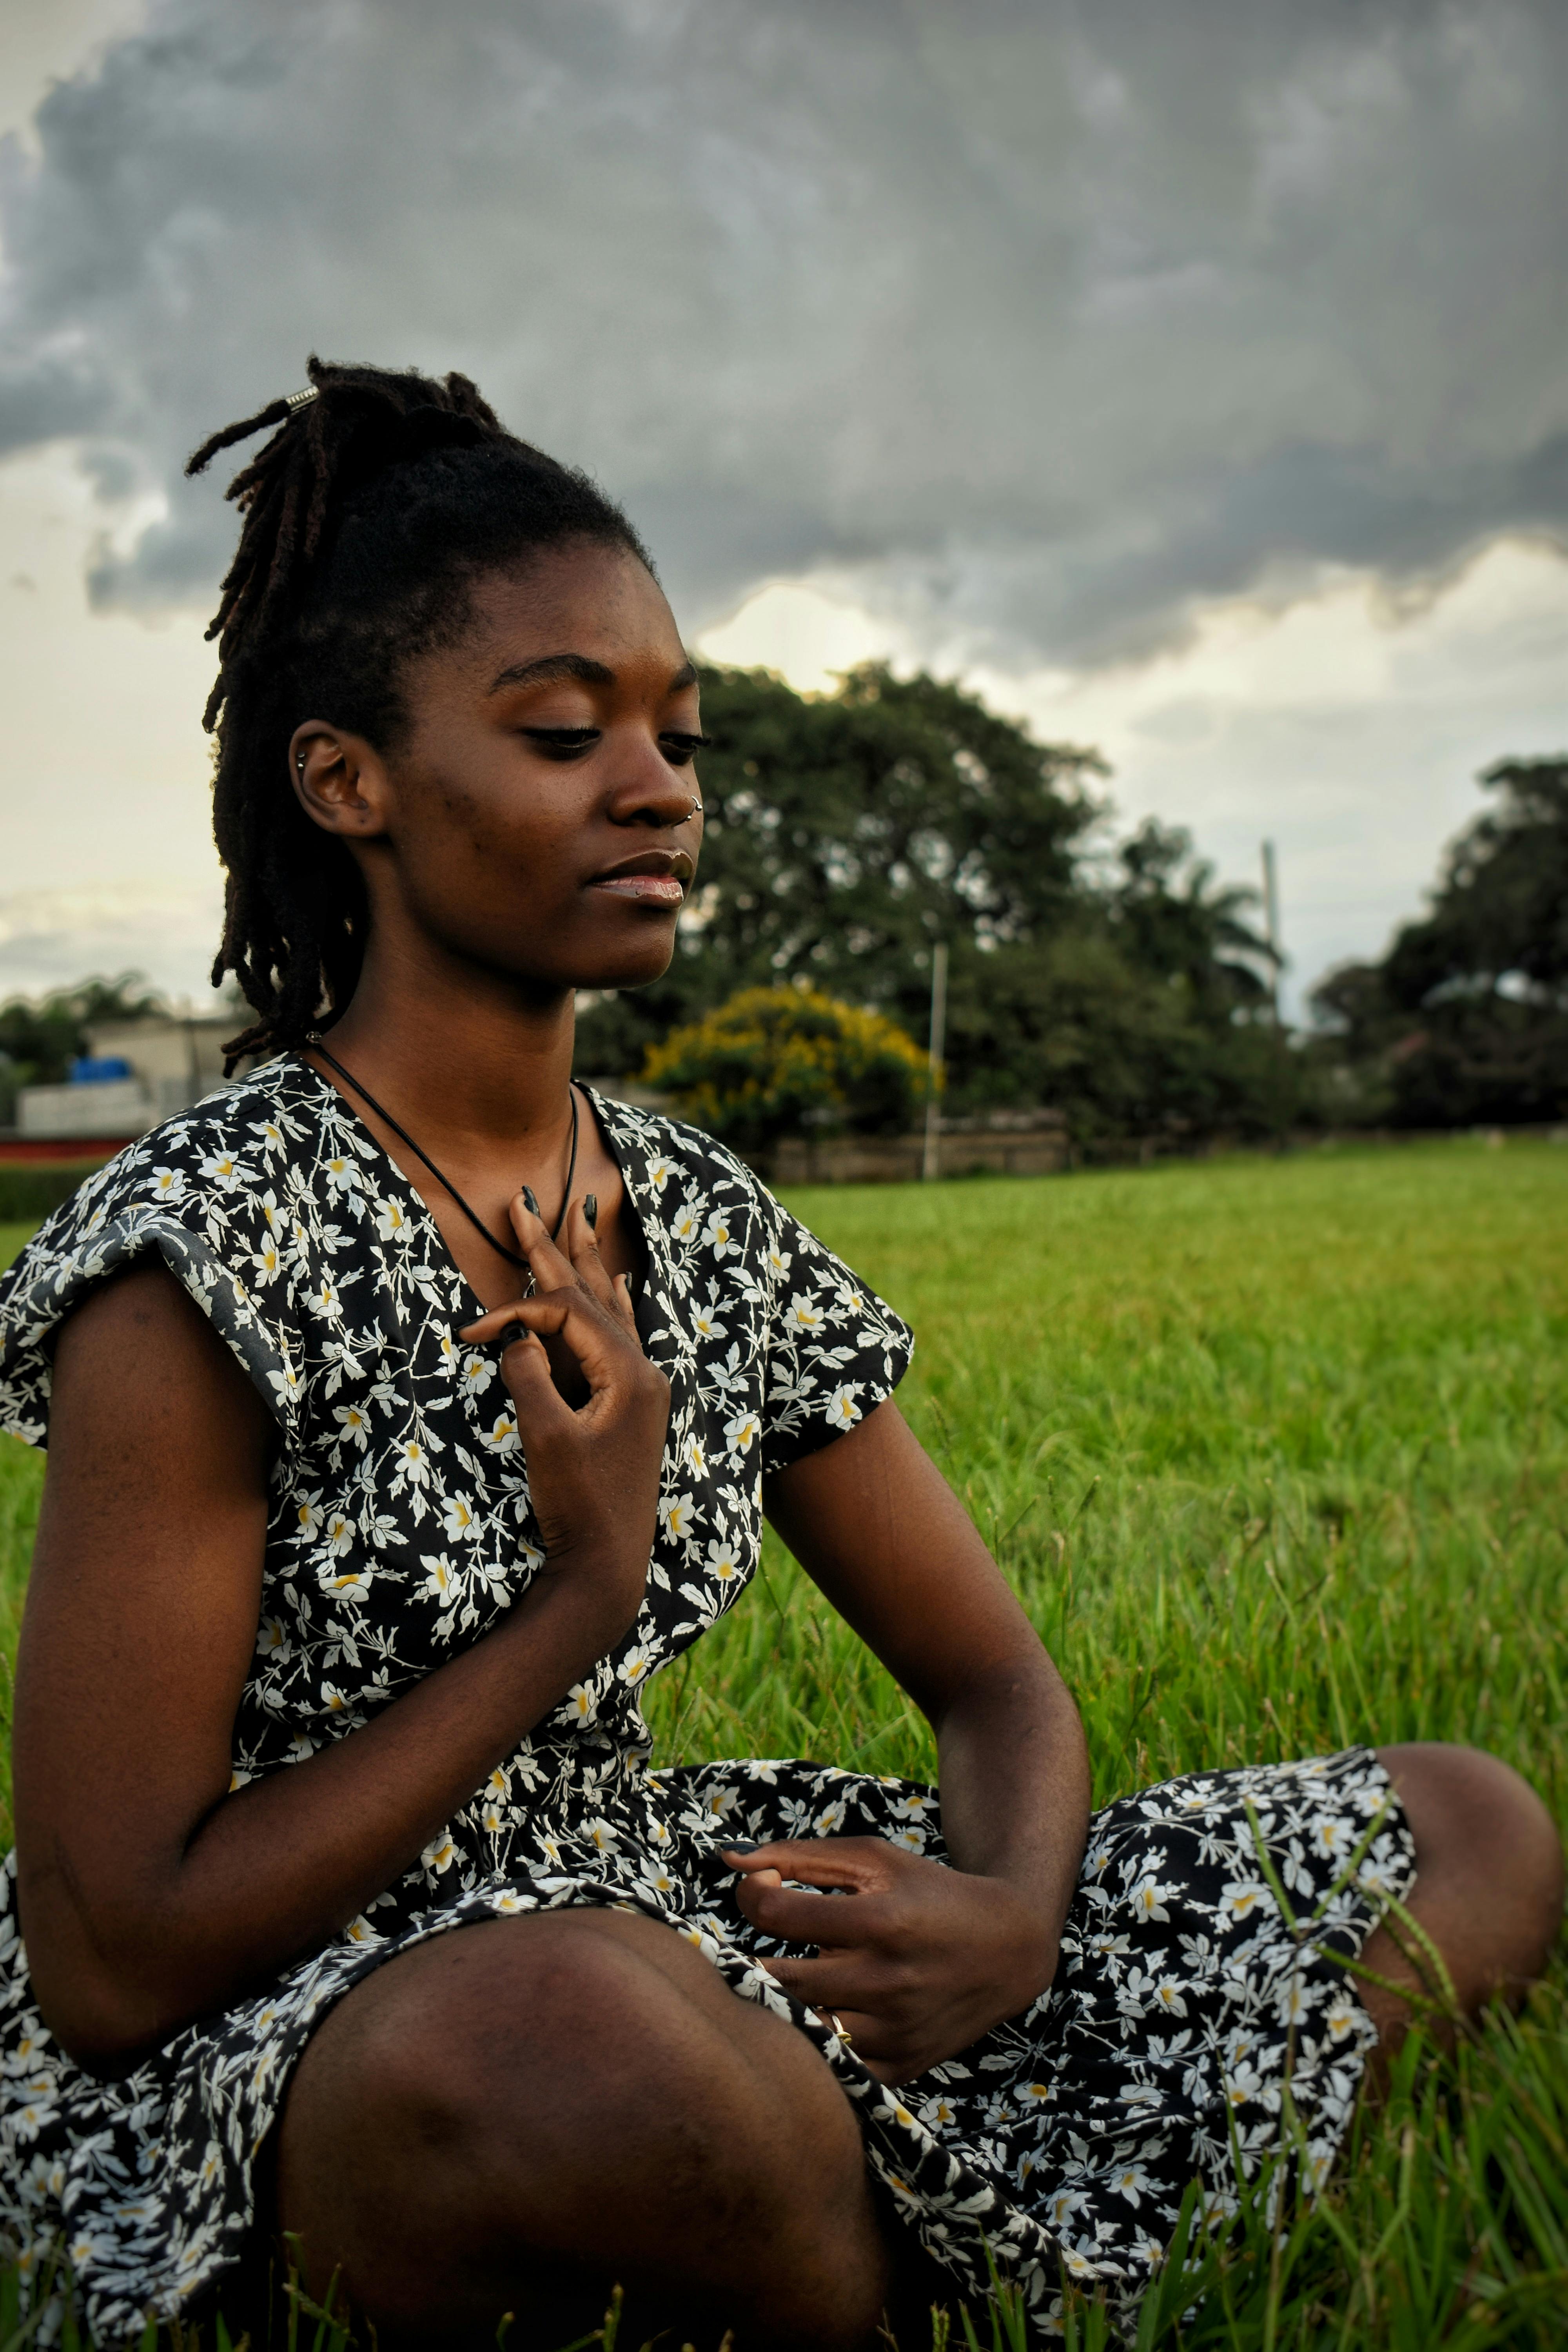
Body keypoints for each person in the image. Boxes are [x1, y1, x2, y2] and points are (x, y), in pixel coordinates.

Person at [0, 360, 1559, 2352]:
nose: (660, 786)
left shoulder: (694, 1209)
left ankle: (880, 2213)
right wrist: (581, 1596)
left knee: (1469, 1825)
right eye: (566, 733)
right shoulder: (197, 1255)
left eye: (677, 733)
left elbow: (995, 1686)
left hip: (654, 1892)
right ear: (345, 781)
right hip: (323, 2007)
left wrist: (1003, 1919)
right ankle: (939, 2255)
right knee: (592, 2052)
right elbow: (112, 1962)